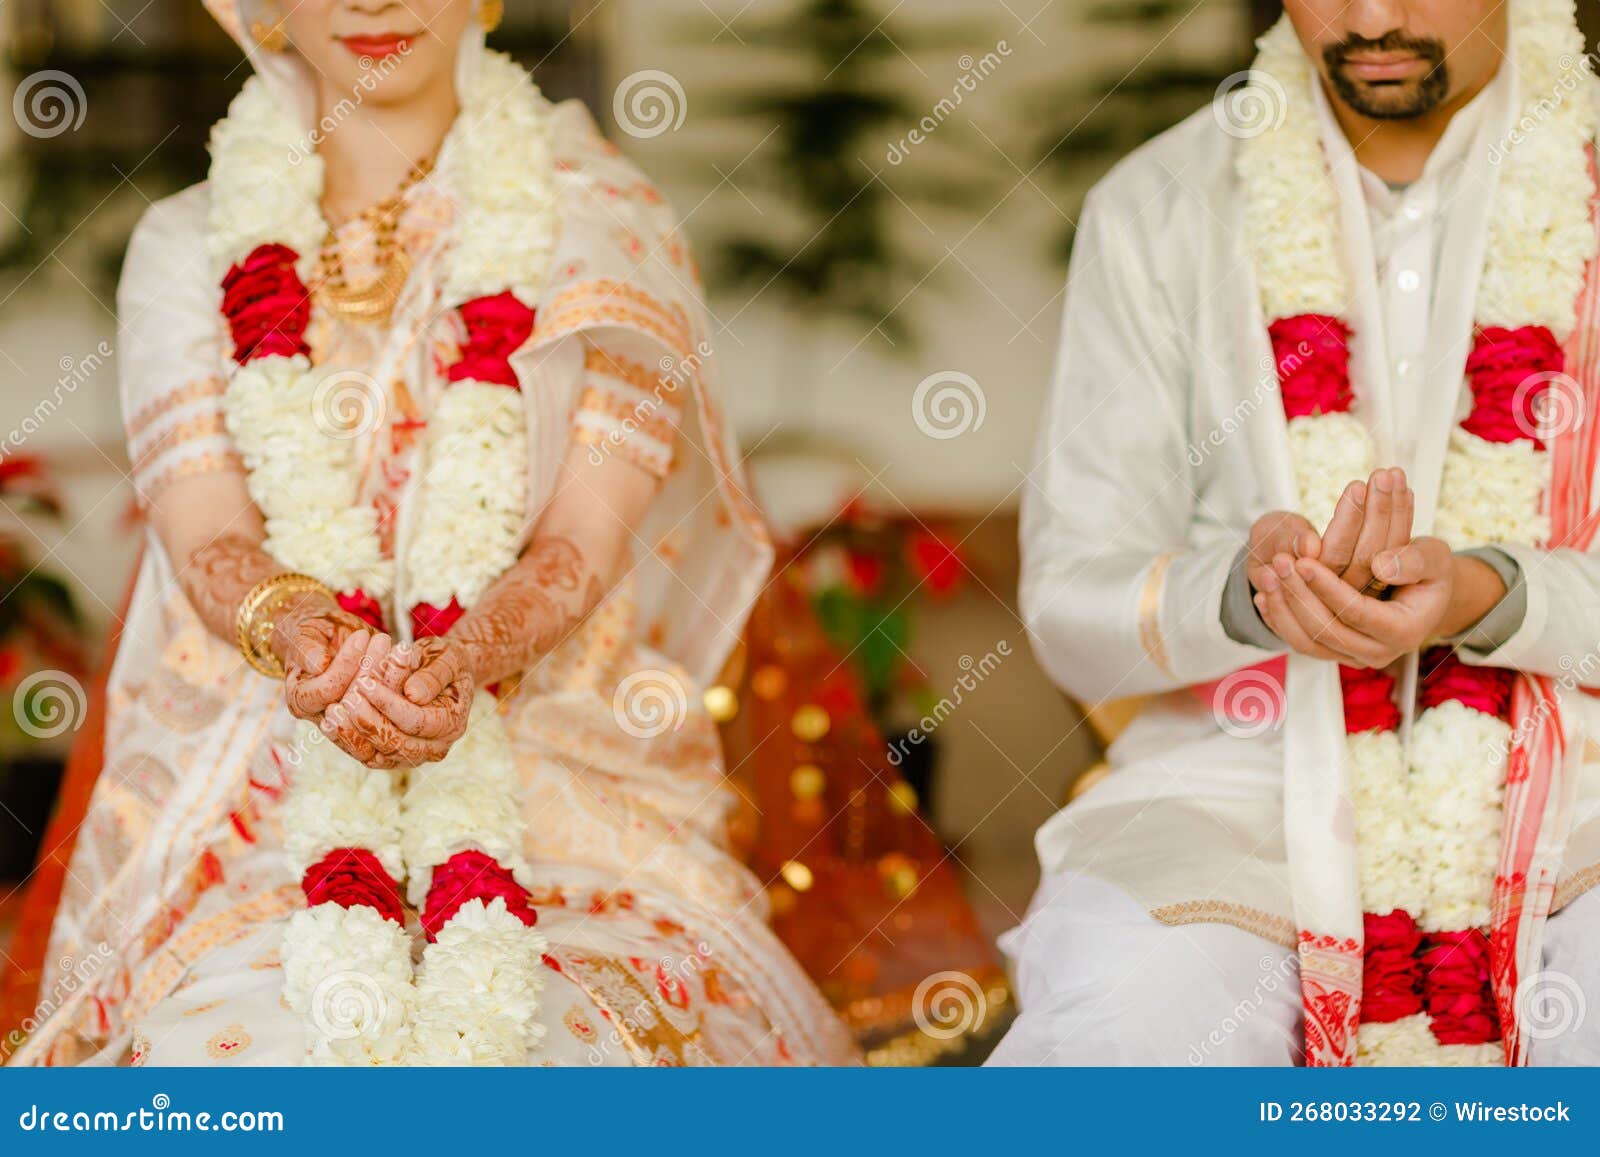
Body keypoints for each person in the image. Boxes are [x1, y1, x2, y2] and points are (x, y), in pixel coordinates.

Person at [9, 0, 857, 1067]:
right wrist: (310, 635)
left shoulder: (604, 224)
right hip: (259, 780)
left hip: (564, 774)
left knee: (578, 1056)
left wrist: (467, 654)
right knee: (247, 1056)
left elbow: (583, 542)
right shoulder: (186, 244)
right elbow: (204, 531)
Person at [993, 0, 1600, 1067]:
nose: (1371, 17)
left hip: (1580, 788)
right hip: (1239, 794)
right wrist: (1243, 592)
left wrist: (1493, 594)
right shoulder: (1163, 207)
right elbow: (1069, 606)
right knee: (1132, 1014)